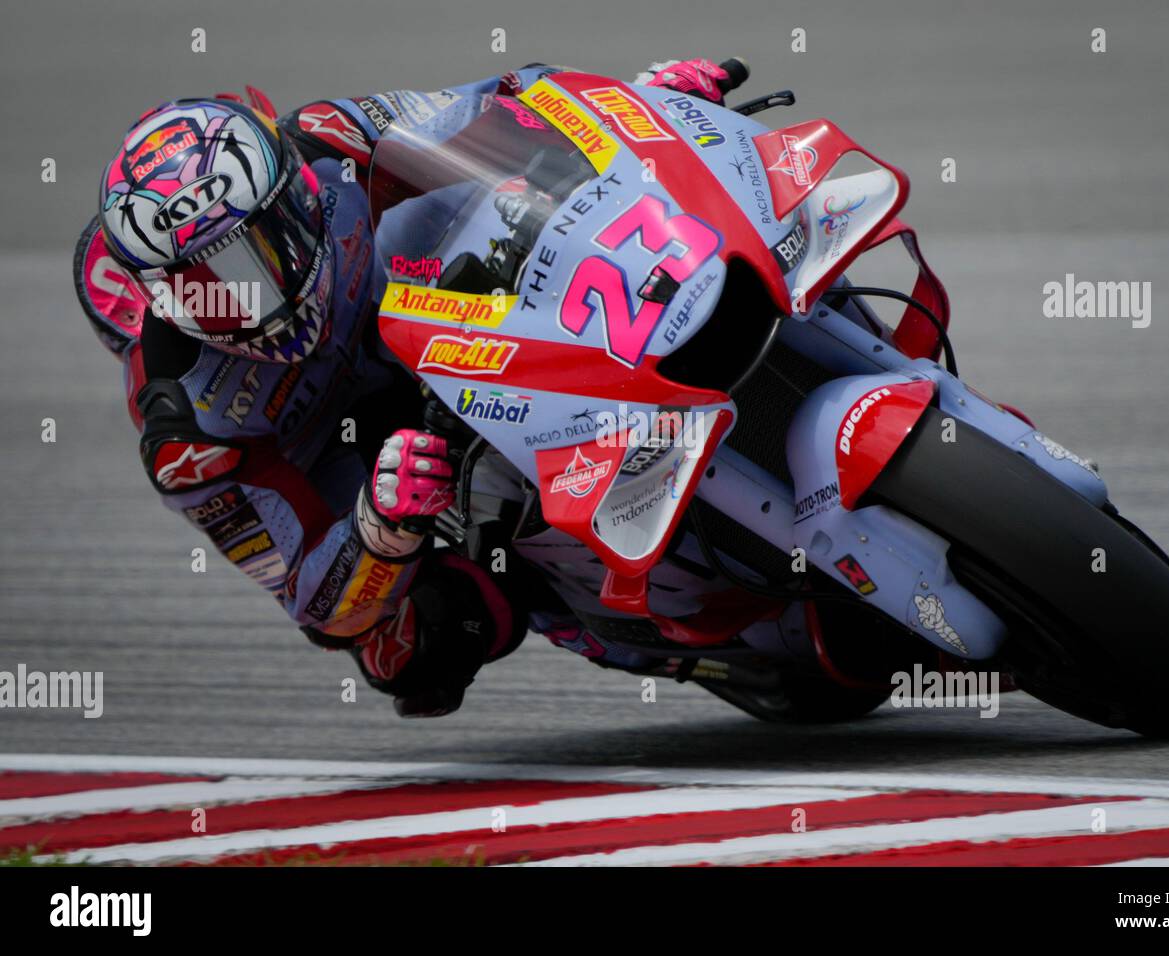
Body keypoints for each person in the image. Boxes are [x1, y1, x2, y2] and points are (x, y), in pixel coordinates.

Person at [74, 59, 734, 717]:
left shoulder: (330, 137)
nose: (250, 299)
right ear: (159, 300)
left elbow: (505, 105)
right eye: (204, 291)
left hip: (447, 311)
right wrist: (381, 528)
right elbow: (314, 601)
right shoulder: (186, 430)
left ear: (295, 197)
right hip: (360, 460)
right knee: (407, 648)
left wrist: (638, 108)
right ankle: (612, 621)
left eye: (256, 253)